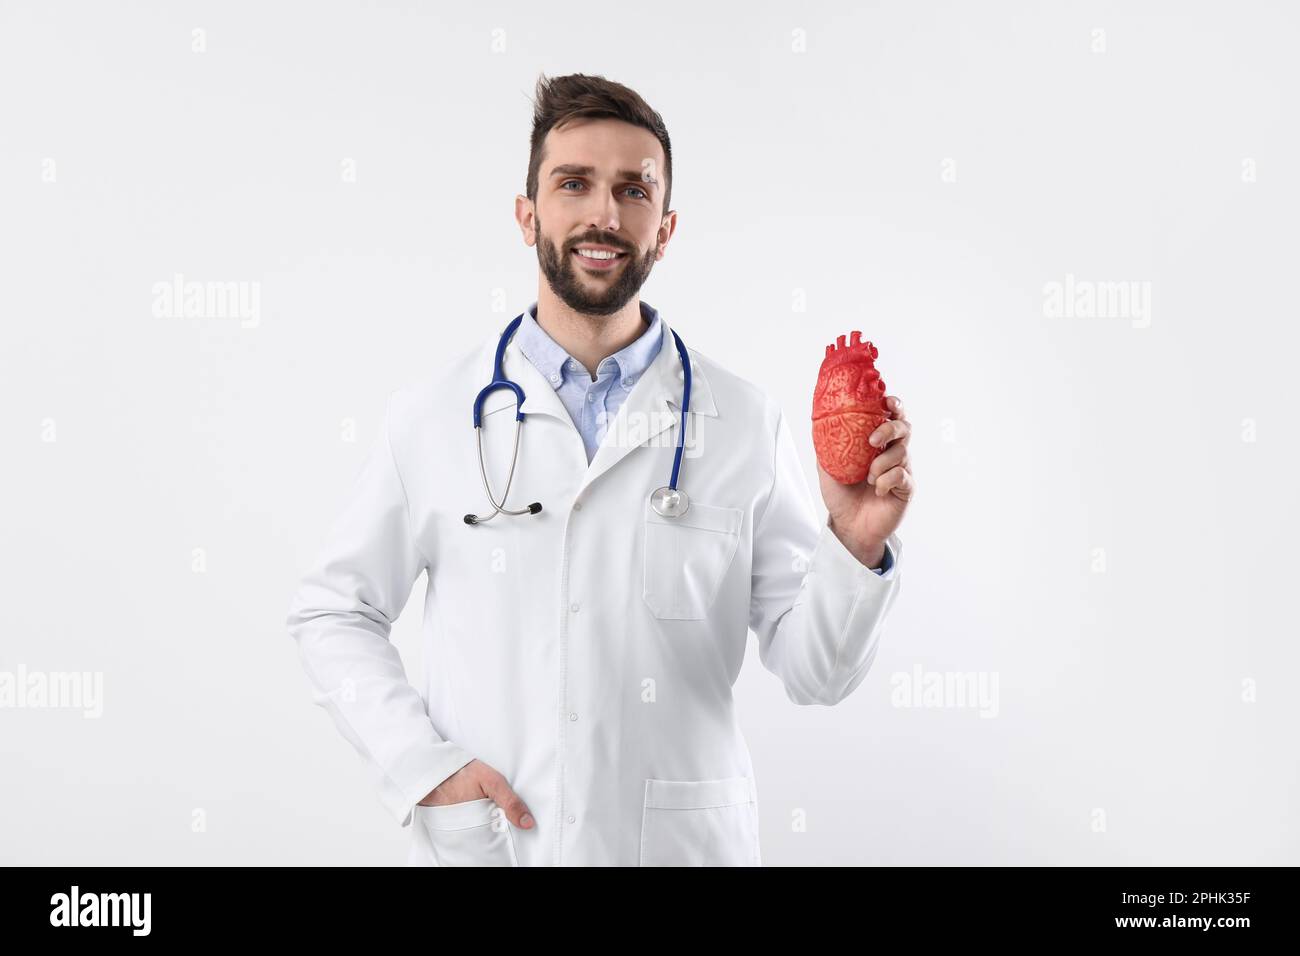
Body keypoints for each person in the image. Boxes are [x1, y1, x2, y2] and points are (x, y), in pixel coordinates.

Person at [286, 72, 914, 866]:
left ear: (666, 228)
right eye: (573, 183)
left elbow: (816, 671)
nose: (604, 215)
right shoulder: (433, 417)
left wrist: (853, 547)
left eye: (633, 190)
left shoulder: (744, 422)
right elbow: (333, 612)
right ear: (527, 215)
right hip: (497, 846)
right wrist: (421, 767)